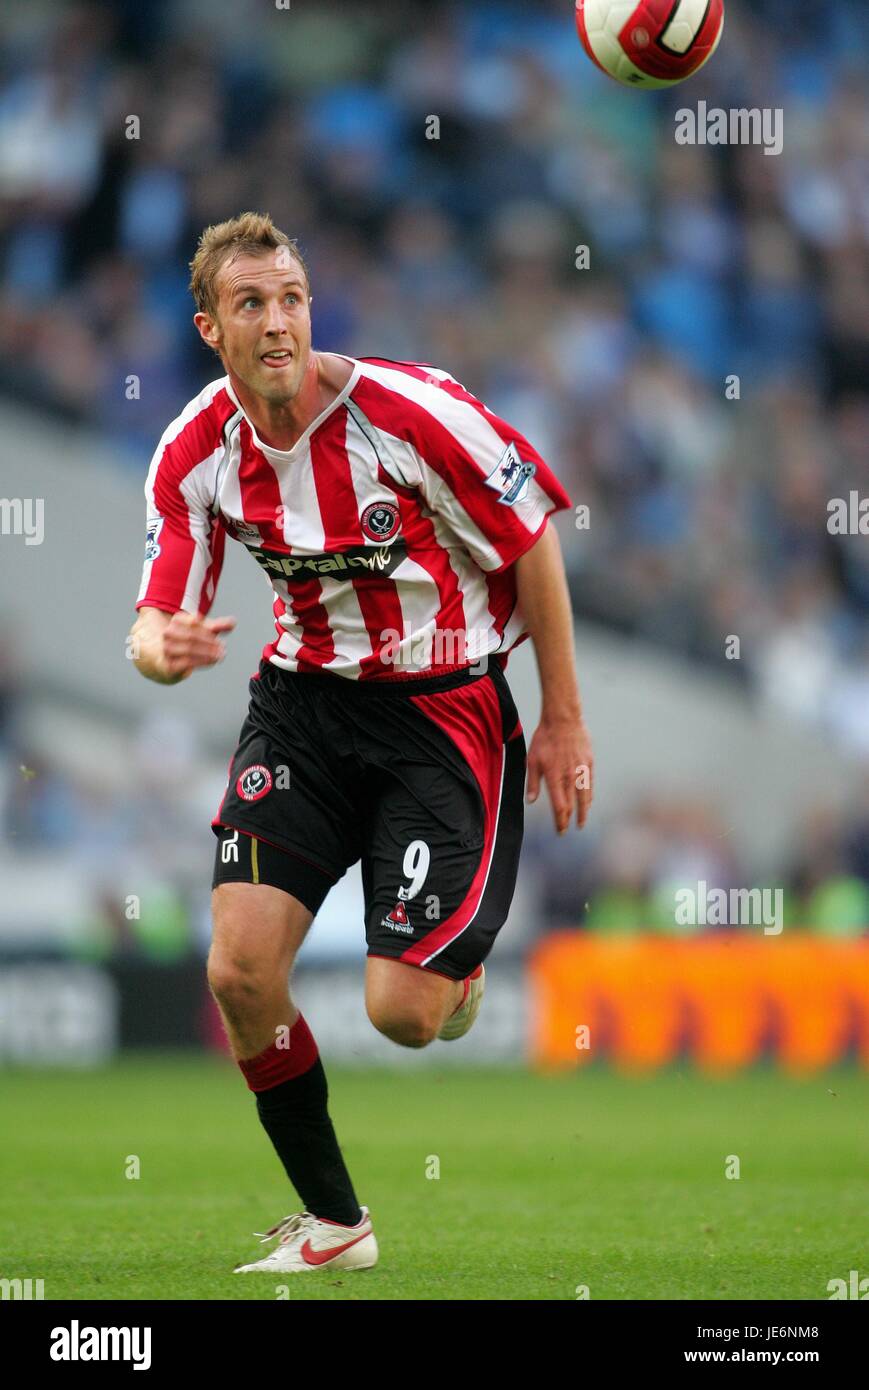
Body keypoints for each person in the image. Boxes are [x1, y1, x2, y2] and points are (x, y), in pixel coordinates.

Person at [129, 212, 594, 1274]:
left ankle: (452, 975)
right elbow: (154, 621)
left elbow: (533, 542)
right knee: (239, 970)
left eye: (291, 296)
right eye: (252, 303)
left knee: (401, 1014)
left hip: (443, 713)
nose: (279, 320)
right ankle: (337, 1225)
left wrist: (561, 717)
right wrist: (161, 650)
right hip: (302, 706)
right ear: (211, 328)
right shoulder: (195, 451)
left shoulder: (412, 412)